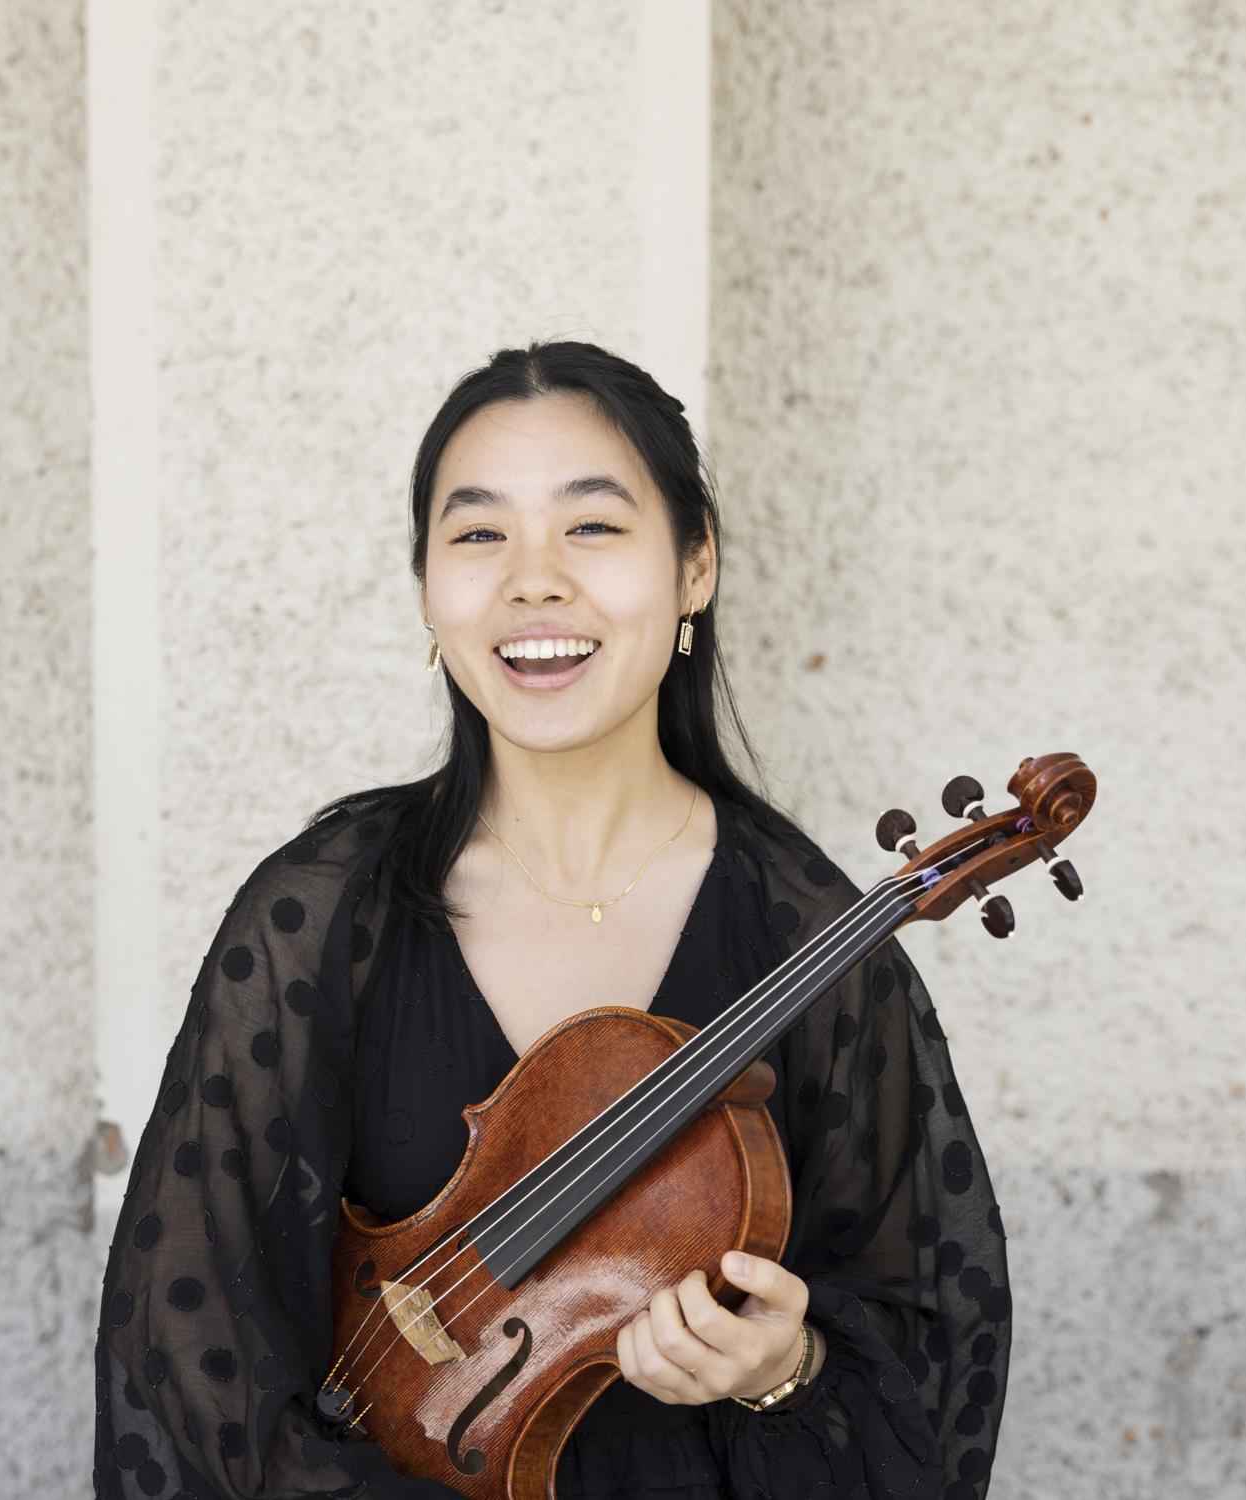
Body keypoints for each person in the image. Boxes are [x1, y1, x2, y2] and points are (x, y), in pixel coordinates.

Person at [93, 339, 1010, 1500]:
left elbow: (936, 1365)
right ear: (428, 589)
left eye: (593, 526)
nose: (533, 581)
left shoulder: (813, 939)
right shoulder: (321, 918)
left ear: (695, 570)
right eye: (477, 534)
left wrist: (787, 1371)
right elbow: (187, 1353)